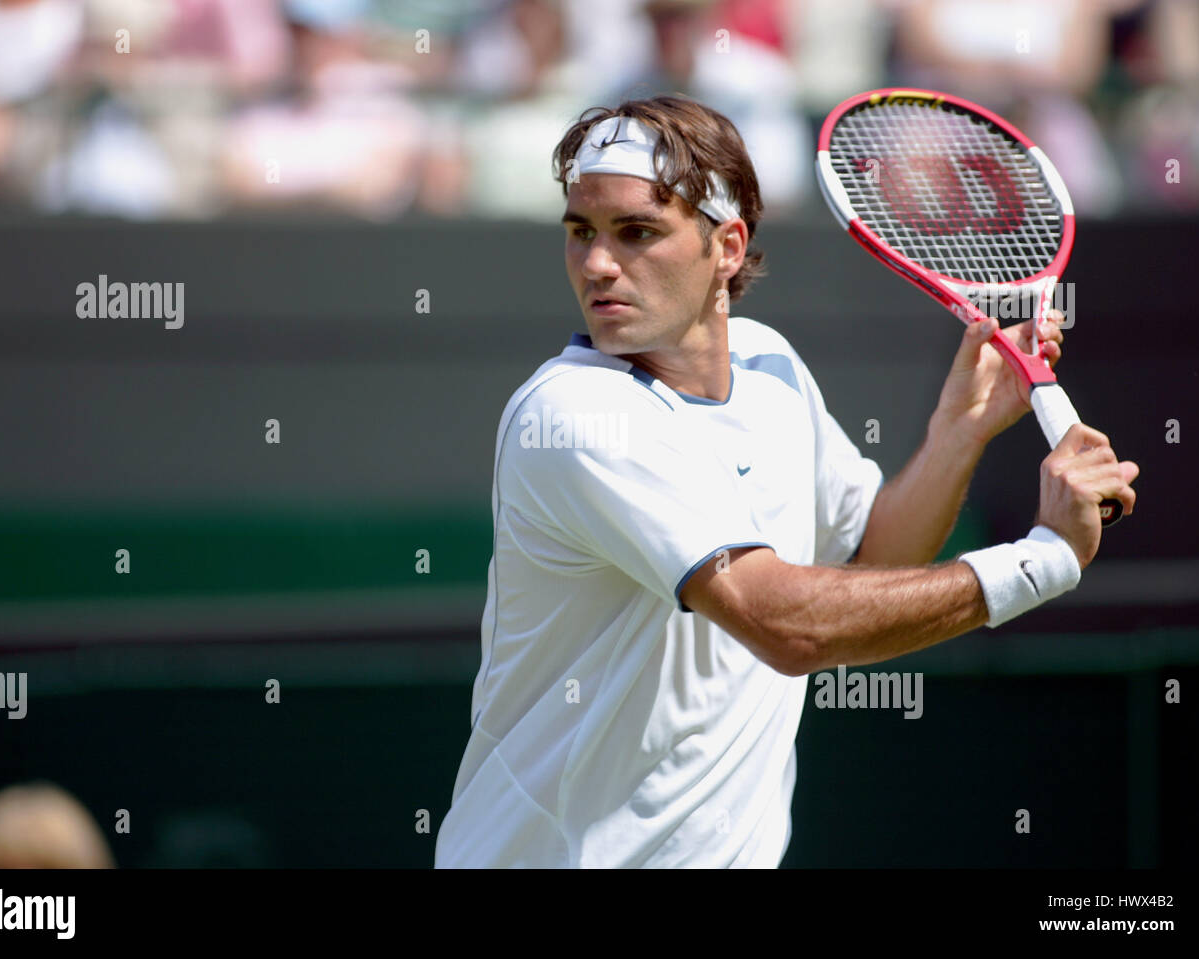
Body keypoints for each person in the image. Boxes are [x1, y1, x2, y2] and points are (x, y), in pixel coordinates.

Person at [434, 94, 1138, 868]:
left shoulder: (771, 367)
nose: (598, 263)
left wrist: (955, 433)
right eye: (581, 233)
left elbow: (873, 555)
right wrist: (1042, 560)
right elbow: (786, 624)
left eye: (636, 232)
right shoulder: (574, 416)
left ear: (727, 247)